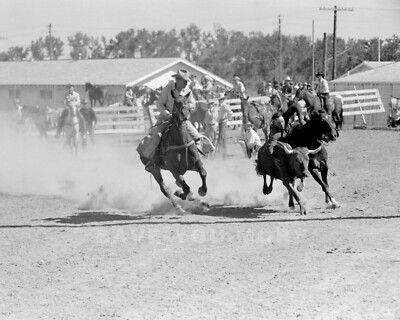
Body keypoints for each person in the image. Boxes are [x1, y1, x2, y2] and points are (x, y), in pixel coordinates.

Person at [141, 69, 203, 171]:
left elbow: (193, 103)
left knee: (196, 136)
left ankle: (197, 158)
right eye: (184, 81)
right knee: (155, 135)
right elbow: (160, 104)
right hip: (166, 118)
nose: (186, 83)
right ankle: (153, 161)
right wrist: (167, 113)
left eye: (187, 81)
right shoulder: (168, 89)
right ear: (177, 80)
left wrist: (187, 106)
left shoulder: (187, 90)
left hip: (182, 119)